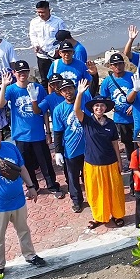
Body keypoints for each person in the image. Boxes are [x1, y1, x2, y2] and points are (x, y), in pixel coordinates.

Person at [0, 121, 46, 275]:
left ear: (1, 134)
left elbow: (21, 167)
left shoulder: (10, 147)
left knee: (23, 230)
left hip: (18, 200)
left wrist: (31, 187)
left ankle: (30, 255)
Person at [0, 62, 63, 198]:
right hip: (20, 135)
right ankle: (33, 186)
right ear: (14, 73)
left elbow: (44, 111)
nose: (23, 74)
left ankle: (52, 186)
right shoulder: (11, 90)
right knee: (25, 164)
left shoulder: (37, 88)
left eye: (25, 71)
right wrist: (3, 85)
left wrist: (48, 132)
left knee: (45, 163)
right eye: (19, 72)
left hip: (38, 133)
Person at [73, 80, 126, 228]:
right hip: (92, 163)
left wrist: (120, 162)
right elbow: (76, 110)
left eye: (102, 105)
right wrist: (80, 93)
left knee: (114, 191)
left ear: (105, 108)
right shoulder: (87, 121)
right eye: (96, 105)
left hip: (110, 162)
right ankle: (99, 217)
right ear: (93, 108)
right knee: (96, 192)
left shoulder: (110, 124)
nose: (99, 108)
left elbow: (115, 143)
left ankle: (117, 215)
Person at [51, 79, 89, 213]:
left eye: (70, 88)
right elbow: (58, 132)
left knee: (89, 176)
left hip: (88, 147)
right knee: (72, 179)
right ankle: (77, 201)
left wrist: (94, 75)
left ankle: (92, 197)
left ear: (74, 89)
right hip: (71, 149)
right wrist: (58, 151)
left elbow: (93, 87)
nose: (68, 92)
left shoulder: (85, 99)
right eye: (64, 90)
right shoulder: (58, 110)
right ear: (60, 93)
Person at [99, 53, 135, 180]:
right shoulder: (108, 81)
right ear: (110, 66)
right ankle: (132, 170)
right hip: (120, 119)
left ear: (124, 64)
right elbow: (103, 99)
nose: (118, 66)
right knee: (128, 145)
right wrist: (110, 106)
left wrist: (134, 106)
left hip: (135, 118)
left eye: (120, 63)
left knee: (138, 144)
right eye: (115, 65)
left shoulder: (132, 77)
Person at [28, 0, 66, 89]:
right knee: (45, 79)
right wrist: (35, 45)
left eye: (42, 12)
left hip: (56, 54)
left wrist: (58, 49)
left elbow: (63, 37)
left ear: (49, 10)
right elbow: (32, 35)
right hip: (42, 55)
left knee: (59, 76)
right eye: (38, 12)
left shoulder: (58, 22)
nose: (40, 14)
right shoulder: (34, 22)